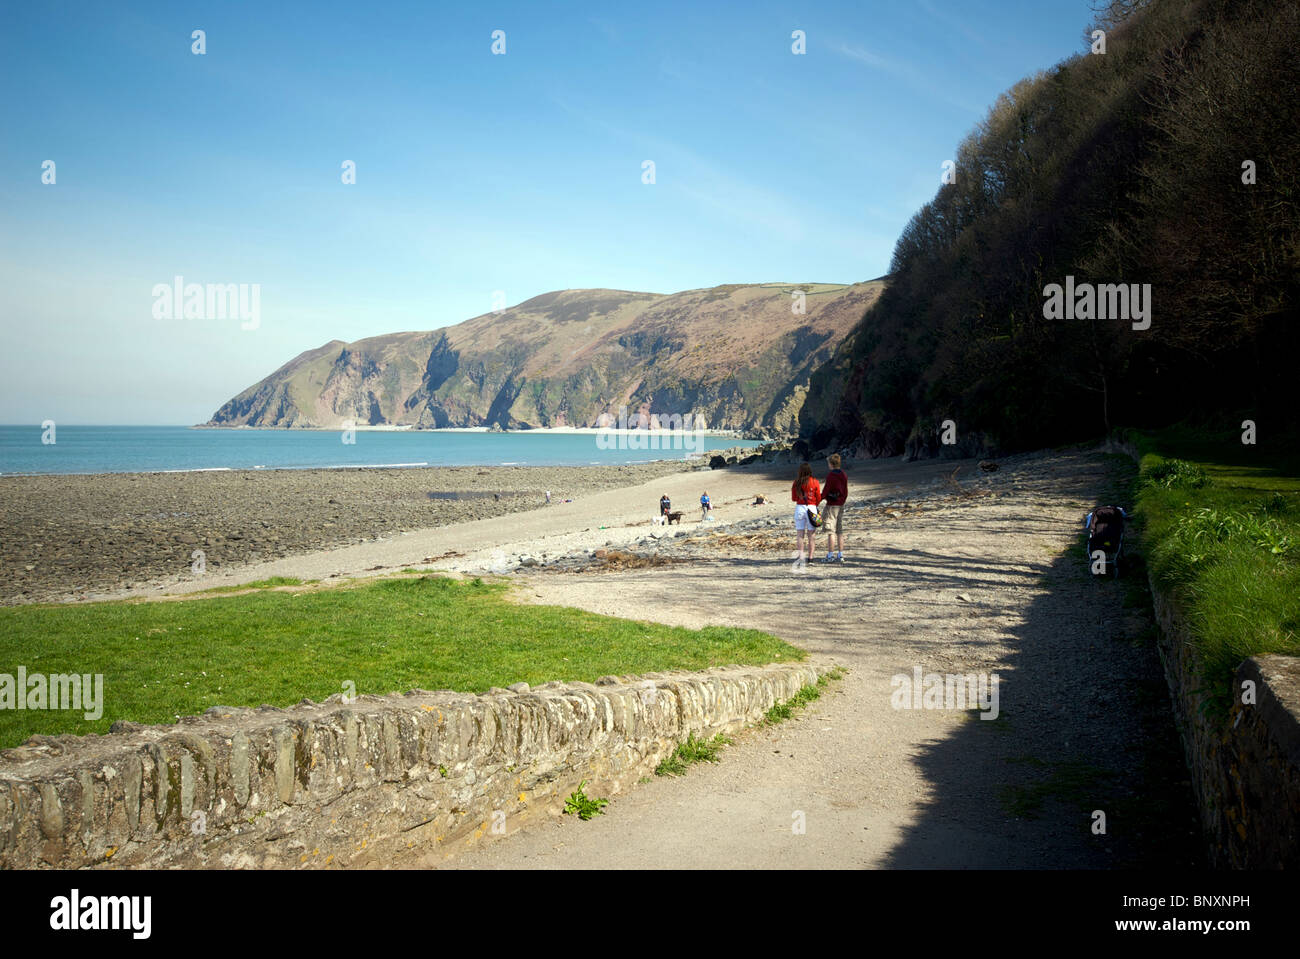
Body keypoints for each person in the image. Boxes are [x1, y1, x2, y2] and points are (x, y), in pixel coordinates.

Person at [791, 462, 821, 565]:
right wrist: (814, 504)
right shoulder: (815, 482)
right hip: (811, 507)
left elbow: (794, 498)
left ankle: (801, 557)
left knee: (800, 534)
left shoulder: (796, 482)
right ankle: (811, 557)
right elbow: (818, 497)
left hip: (800, 507)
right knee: (811, 535)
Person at [821, 453, 848, 562]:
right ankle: (840, 554)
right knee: (839, 530)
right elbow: (845, 491)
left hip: (832, 505)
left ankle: (830, 555)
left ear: (831, 464)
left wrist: (817, 500)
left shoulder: (831, 476)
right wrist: (842, 500)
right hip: (840, 504)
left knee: (831, 531)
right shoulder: (843, 474)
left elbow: (825, 491)